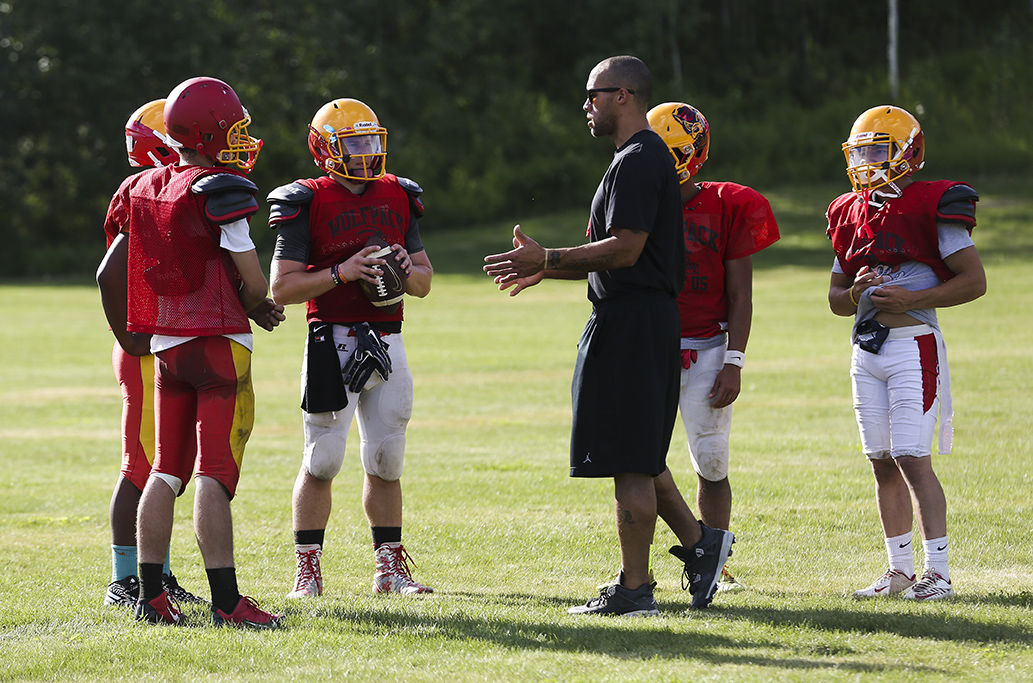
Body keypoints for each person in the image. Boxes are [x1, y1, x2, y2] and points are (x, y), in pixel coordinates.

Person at [483, 56, 733, 616]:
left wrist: (548, 254)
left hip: (635, 324)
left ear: (623, 95)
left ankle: (635, 589)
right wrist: (550, 267)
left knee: (630, 458)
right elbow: (614, 252)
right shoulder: (632, 158)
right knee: (638, 451)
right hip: (631, 320)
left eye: (592, 95)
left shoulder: (642, 159)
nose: (586, 105)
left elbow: (626, 248)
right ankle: (700, 547)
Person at [97, 76, 286, 627]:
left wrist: (132, 334)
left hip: (166, 345)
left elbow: (120, 266)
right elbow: (248, 273)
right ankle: (227, 601)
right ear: (209, 132)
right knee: (213, 472)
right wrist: (259, 304)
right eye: (233, 129)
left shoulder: (142, 187)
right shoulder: (221, 188)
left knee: (164, 470)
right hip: (219, 344)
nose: (240, 140)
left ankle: (150, 596)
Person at [268, 98, 434, 599]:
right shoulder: (307, 200)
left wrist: (407, 268)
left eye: (369, 142)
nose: (364, 153)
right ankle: (308, 572)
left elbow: (425, 283)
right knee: (322, 459)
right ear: (325, 149)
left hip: (387, 340)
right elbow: (281, 287)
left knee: (386, 459)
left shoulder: (398, 194)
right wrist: (342, 272)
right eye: (353, 143)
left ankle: (390, 571)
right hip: (331, 343)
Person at [826, 105, 985, 601]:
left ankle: (938, 573)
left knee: (912, 458)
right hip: (866, 350)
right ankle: (898, 570)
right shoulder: (850, 210)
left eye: (880, 149)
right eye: (863, 151)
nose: (869, 161)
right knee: (880, 461)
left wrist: (914, 299)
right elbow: (834, 301)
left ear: (908, 153)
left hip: (913, 346)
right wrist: (855, 293)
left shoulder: (933, 203)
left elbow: (974, 282)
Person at [647, 102, 780, 592]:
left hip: (706, 347)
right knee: (640, 461)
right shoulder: (636, 200)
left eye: (668, 150)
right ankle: (641, 567)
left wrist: (734, 360)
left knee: (712, 462)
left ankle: (715, 562)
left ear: (692, 154)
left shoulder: (728, 204)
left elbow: (741, 293)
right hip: (649, 347)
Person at [98, 99, 206, 609]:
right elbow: (110, 274)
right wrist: (132, 339)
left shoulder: (167, 189)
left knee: (167, 464)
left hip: (163, 338)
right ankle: (126, 579)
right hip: (144, 343)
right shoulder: (145, 191)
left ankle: (155, 574)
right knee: (141, 465)